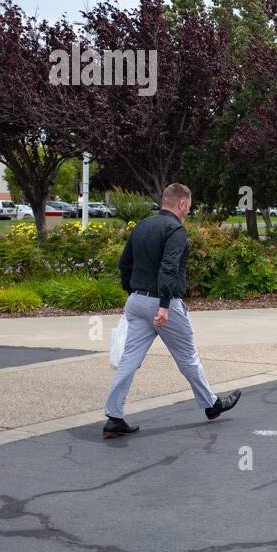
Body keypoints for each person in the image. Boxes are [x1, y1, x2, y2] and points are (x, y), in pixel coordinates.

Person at [102, 183, 241, 438]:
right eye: (189, 205)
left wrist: (132, 293)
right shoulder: (175, 230)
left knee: (129, 360)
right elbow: (168, 268)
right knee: (187, 357)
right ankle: (211, 405)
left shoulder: (142, 226)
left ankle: (114, 416)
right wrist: (164, 306)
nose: (189, 209)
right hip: (163, 304)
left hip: (137, 301)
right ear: (182, 204)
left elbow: (124, 265)